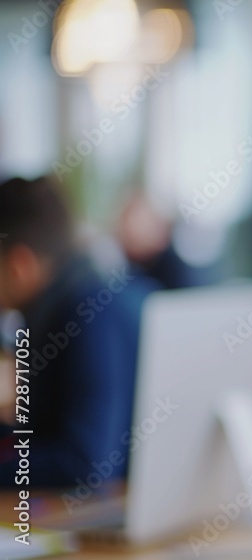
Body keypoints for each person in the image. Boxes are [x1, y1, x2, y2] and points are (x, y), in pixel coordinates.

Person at [0, 176, 155, 487]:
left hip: (114, 509)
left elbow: (85, 463)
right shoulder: (61, 303)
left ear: (20, 266)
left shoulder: (88, 313)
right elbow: (44, 434)